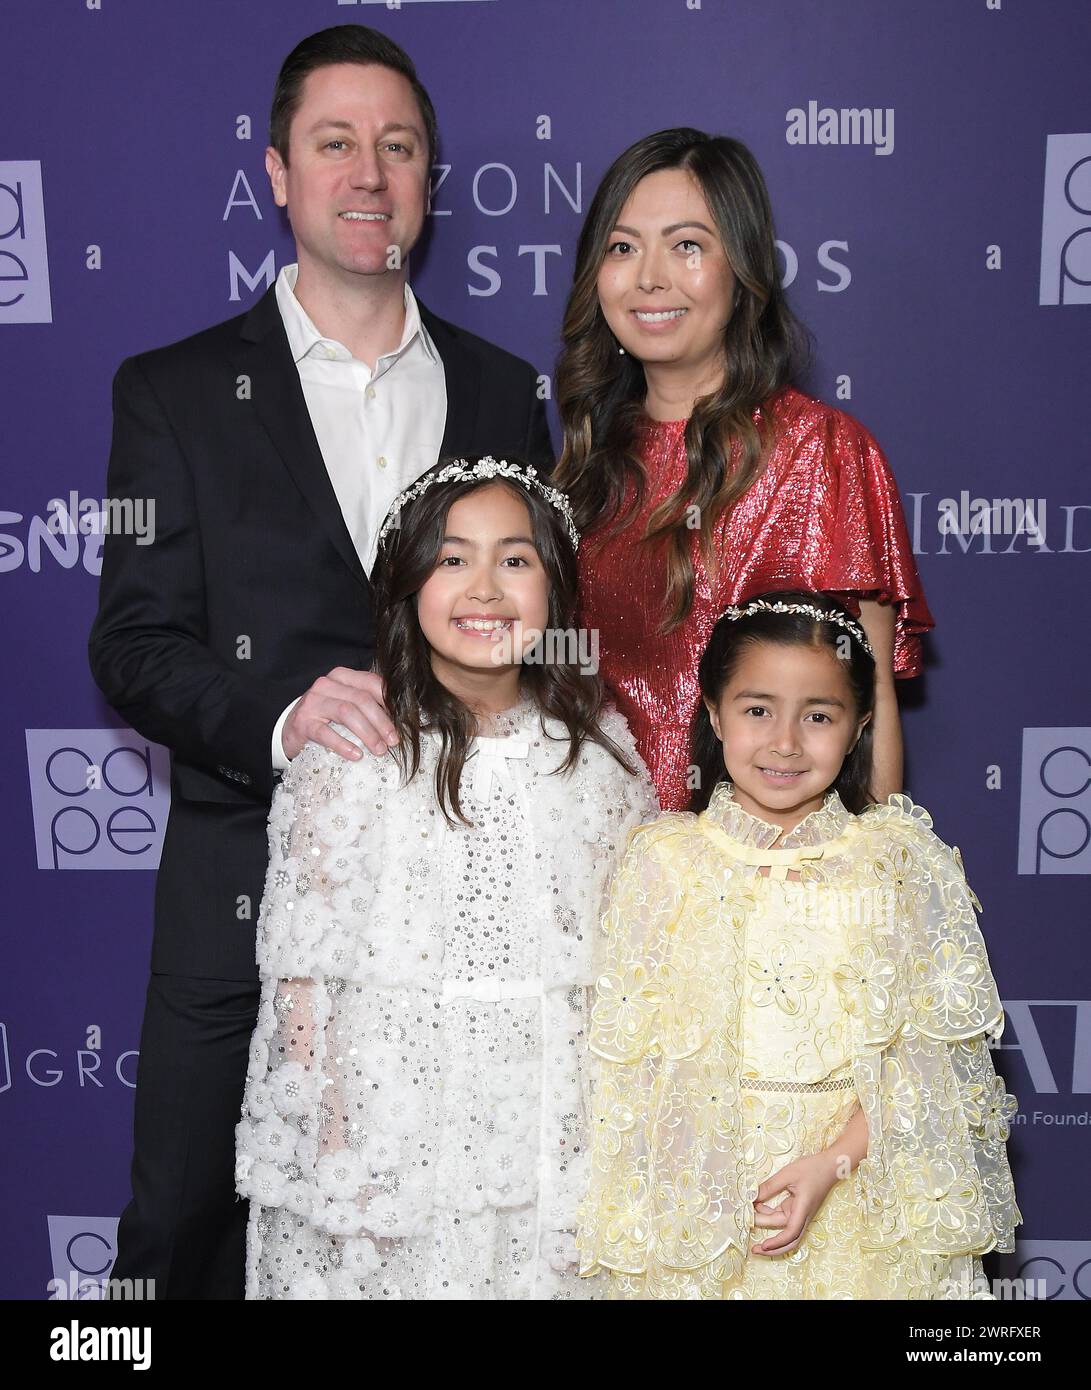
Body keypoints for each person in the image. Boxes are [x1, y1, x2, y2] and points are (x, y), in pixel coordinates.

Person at [87, 25, 552, 1299]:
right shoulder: (169, 392)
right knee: (175, 1240)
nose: (368, 171)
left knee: (406, 1246)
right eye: (335, 142)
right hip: (241, 881)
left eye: (396, 146)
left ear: (428, 179)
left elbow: (535, 638)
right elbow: (129, 644)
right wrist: (284, 717)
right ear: (279, 173)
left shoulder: (507, 391)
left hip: (448, 921)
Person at [235, 457, 657, 1299]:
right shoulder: (351, 757)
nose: (485, 589)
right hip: (395, 1118)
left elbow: (630, 966)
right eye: (451, 559)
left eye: (515, 559)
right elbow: (303, 971)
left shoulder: (600, 757)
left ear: (557, 591)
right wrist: (332, 1131)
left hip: (548, 1125)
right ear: (407, 586)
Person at [577, 591, 1020, 1299]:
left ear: (858, 727)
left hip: (858, 1196)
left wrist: (833, 1163)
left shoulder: (893, 858)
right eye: (757, 710)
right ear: (714, 713)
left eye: (817, 716)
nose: (785, 741)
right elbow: (628, 1063)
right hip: (701, 1199)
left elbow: (926, 1059)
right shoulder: (661, 859)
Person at [555, 128, 934, 812]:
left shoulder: (823, 452)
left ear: (743, 270)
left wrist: (873, 887)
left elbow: (870, 694)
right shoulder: (585, 466)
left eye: (687, 246)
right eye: (621, 247)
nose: (649, 277)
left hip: (770, 883)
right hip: (606, 871)